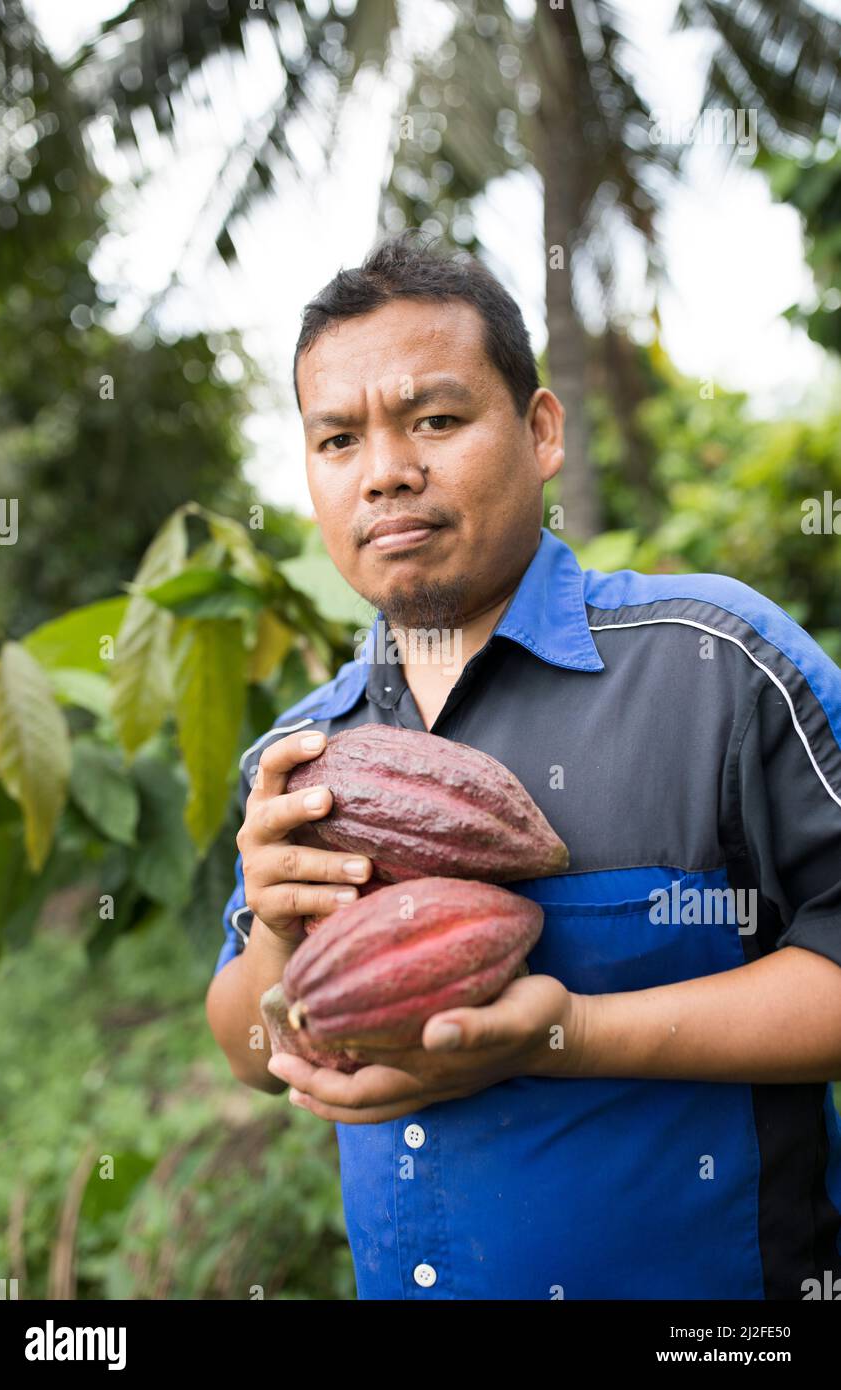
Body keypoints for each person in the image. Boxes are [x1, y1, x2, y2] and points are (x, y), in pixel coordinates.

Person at [206, 231, 841, 1300]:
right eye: (337, 440)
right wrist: (275, 926)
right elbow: (248, 1049)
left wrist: (568, 1033)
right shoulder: (299, 754)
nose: (387, 473)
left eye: (435, 421)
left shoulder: (715, 668)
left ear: (540, 431)